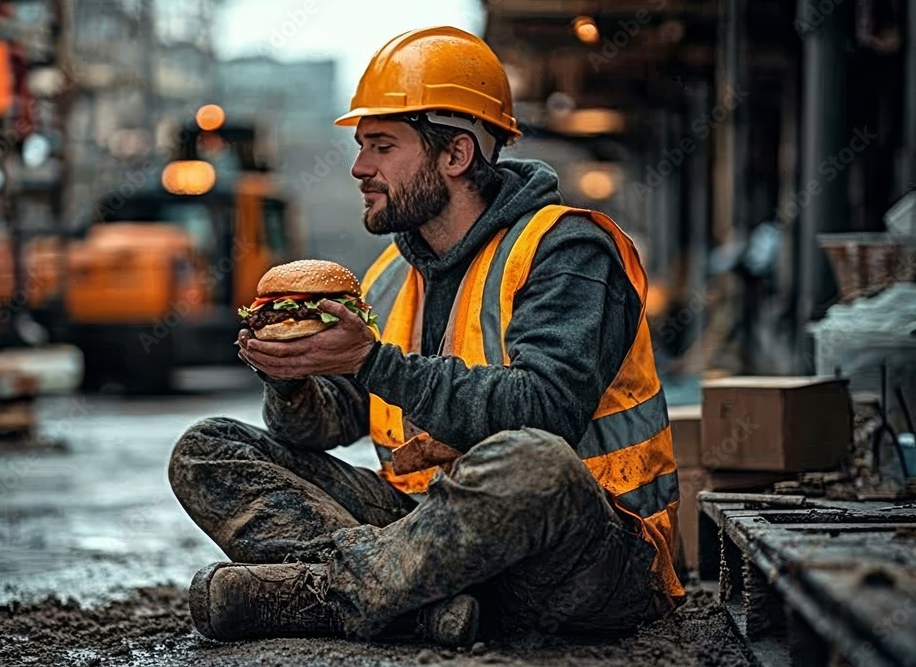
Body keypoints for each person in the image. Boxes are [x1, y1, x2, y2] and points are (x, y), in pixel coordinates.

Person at [169, 26, 682, 647]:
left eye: (382, 146)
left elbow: (546, 412)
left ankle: (328, 595)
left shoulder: (567, 250)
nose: (360, 168)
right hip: (429, 534)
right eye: (361, 146)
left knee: (534, 460)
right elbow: (326, 426)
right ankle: (419, 606)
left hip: (590, 554)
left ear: (456, 155)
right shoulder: (389, 276)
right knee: (209, 448)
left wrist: (371, 361)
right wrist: (292, 380)